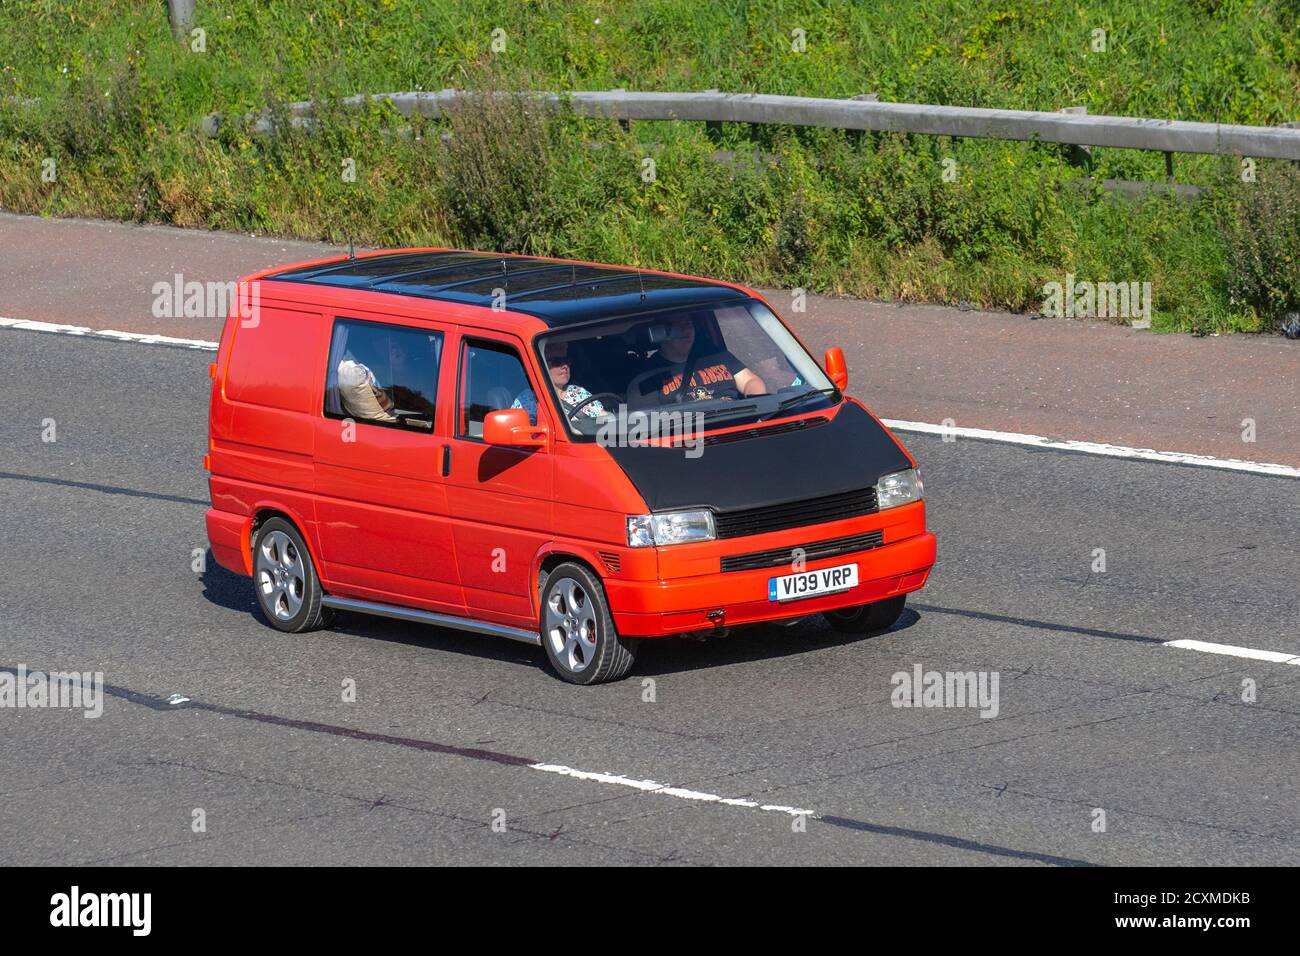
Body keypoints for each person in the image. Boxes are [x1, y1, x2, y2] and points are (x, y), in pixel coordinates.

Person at [630, 315, 766, 406]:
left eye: (688, 324)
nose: (686, 330)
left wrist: (758, 406)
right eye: (676, 325)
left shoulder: (716, 355)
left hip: (738, 420)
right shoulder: (646, 376)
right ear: (659, 333)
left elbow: (750, 381)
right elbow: (648, 421)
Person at [512, 342, 607, 425]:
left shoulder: (578, 391)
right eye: (556, 362)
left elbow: (605, 420)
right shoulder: (526, 400)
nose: (565, 366)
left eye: (566, 360)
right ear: (540, 365)